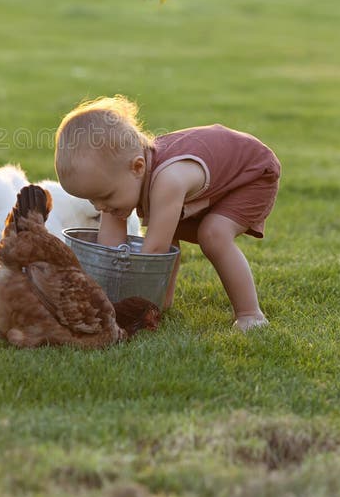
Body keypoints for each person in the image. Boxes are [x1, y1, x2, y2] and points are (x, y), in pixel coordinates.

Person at [54, 96, 281, 331]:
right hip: (213, 179)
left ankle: (250, 314)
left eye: (105, 197)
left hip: (250, 174)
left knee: (213, 234)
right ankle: (161, 302)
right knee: (167, 229)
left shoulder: (168, 181)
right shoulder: (118, 178)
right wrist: (105, 298)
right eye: (92, 200)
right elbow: (109, 249)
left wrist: (130, 308)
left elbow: (154, 251)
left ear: (138, 167)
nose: (100, 207)